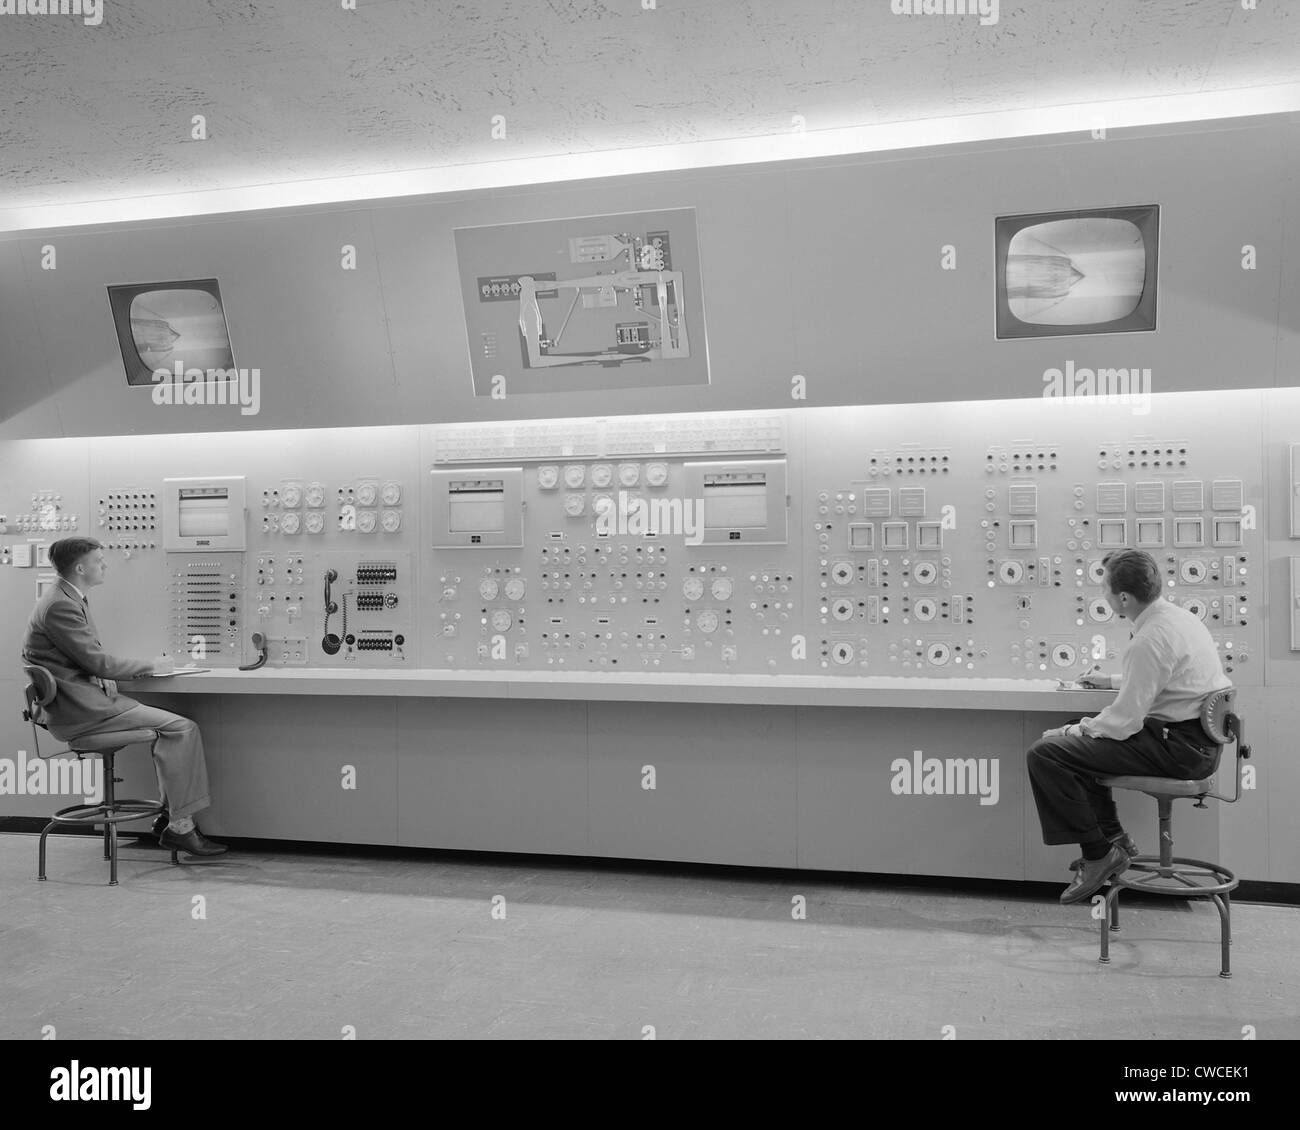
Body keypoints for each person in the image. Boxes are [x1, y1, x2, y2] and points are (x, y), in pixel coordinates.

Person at [1026, 548, 1229, 904]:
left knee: (1047, 753)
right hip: (1194, 743)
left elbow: (1123, 722)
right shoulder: (1176, 619)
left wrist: (1073, 731)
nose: (1101, 594)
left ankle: (1098, 853)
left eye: (1103, 587)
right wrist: (1109, 681)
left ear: (1122, 597)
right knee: (1079, 740)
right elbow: (1164, 678)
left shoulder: (1149, 639)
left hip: (1178, 751)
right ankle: (1113, 840)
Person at [21, 537, 227, 857]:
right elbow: (96, 661)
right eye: (99, 560)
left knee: (173, 728)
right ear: (80, 567)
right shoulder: (61, 604)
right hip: (81, 712)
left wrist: (101, 673)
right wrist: (151, 666)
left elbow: (81, 659)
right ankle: (180, 826)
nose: (105, 565)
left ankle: (173, 820)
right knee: (182, 728)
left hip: (77, 705)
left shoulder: (64, 596)